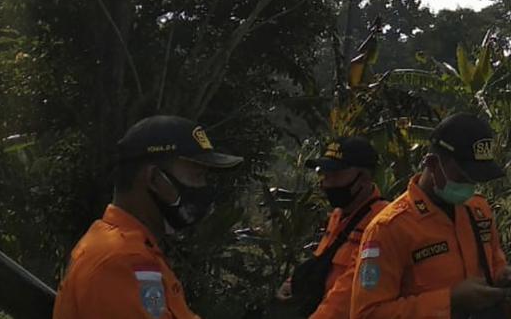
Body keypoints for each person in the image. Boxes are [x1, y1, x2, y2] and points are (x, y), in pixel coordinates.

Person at [52, 115, 243, 319]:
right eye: (197, 176)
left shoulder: (136, 249)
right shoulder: (119, 261)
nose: (203, 188)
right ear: (154, 179)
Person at [350, 113, 511, 319]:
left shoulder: (478, 210)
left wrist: (502, 274)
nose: (468, 185)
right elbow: (367, 314)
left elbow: (494, 261)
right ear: (432, 164)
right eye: (462, 176)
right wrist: (449, 302)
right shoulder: (389, 228)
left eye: (474, 179)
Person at [276, 137, 386, 318]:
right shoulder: (338, 214)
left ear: (364, 178)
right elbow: (321, 259)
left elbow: (349, 293)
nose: (325, 183)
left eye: (335, 174)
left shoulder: (381, 224)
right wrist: (291, 284)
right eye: (324, 173)